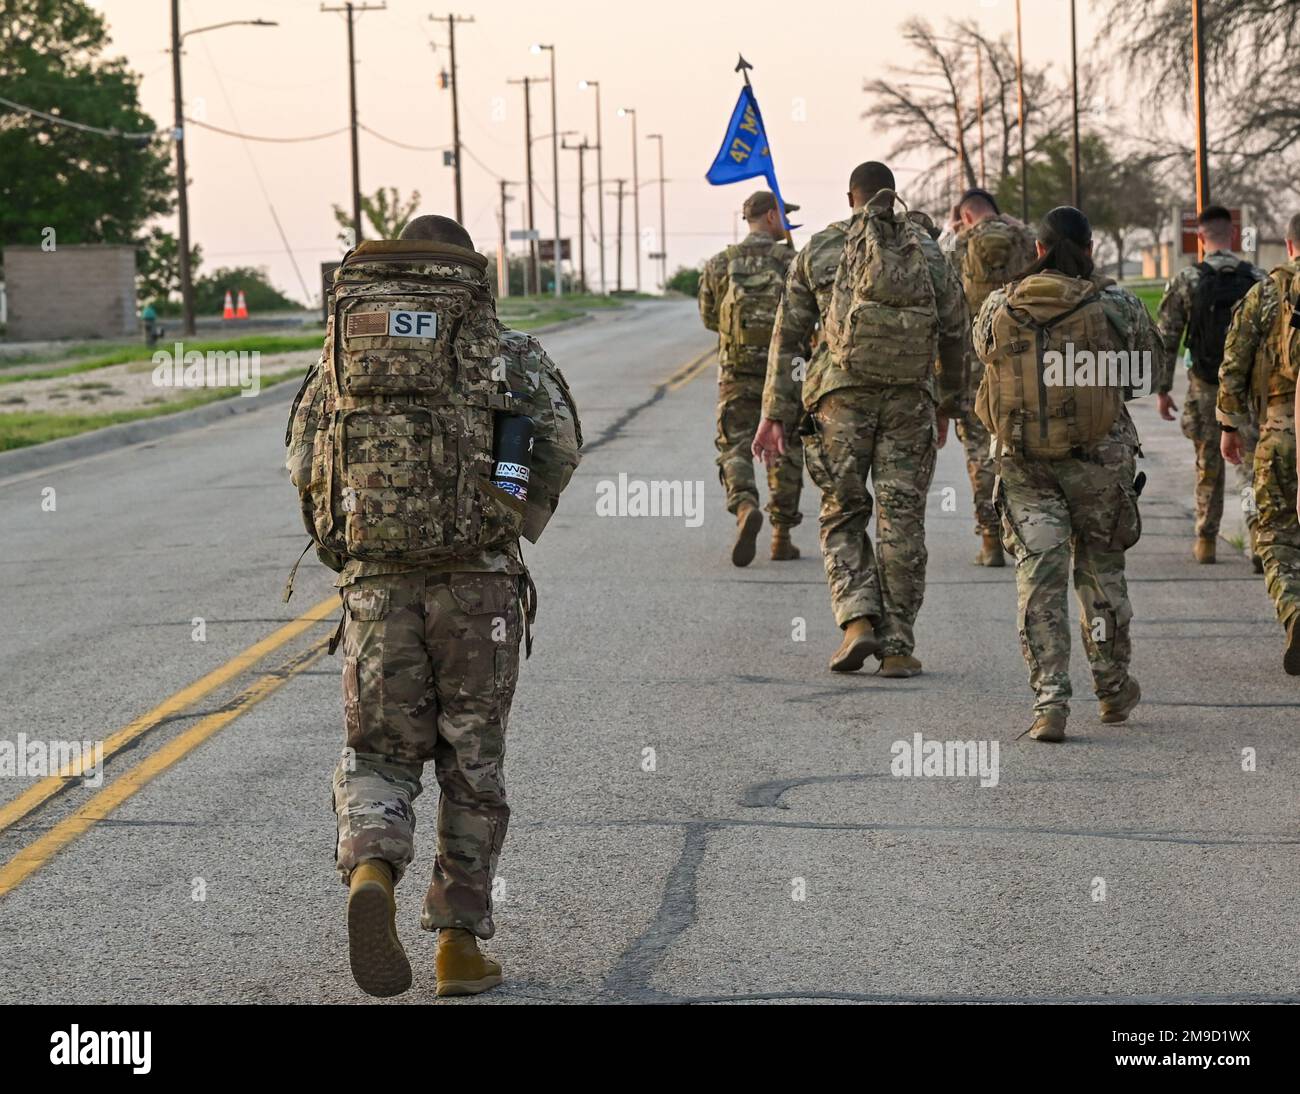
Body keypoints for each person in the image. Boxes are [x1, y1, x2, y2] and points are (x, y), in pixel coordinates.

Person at [285, 214, 581, 998]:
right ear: (467, 274)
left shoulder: (346, 352)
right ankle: (457, 945)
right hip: (479, 587)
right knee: (471, 764)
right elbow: (557, 440)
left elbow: (306, 456)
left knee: (378, 749)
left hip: (378, 585)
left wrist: (345, 547)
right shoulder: (506, 353)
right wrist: (505, 508)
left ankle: (373, 867)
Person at [756, 161, 966, 678]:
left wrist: (774, 413)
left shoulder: (822, 248)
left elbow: (788, 338)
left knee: (842, 510)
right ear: (893, 194)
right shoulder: (929, 251)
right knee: (902, 519)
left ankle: (855, 622)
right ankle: (898, 647)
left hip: (837, 399)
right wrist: (948, 403)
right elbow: (957, 331)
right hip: (909, 400)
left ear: (850, 195)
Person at [973, 206, 1159, 741]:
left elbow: (984, 356)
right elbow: (1149, 373)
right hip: (1099, 459)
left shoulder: (997, 305)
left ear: (1037, 249)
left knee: (1039, 578)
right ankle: (1111, 688)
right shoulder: (1115, 302)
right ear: (1091, 247)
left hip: (1023, 460)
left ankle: (1050, 701)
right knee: (1100, 575)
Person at [699, 191, 804, 565]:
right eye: (785, 216)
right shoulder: (793, 262)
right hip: (785, 372)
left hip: (736, 369)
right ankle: (782, 534)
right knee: (785, 446)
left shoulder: (719, 264)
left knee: (734, 444)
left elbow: (710, 318)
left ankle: (744, 505)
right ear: (772, 215)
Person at [1155, 206, 1264, 565]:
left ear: (1200, 238)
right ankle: (1256, 537)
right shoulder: (1259, 279)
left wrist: (1163, 389)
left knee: (1208, 465)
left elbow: (1168, 338)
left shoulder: (1188, 279)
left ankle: (1206, 539)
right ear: (1233, 234)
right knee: (1250, 469)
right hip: (1248, 392)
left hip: (1204, 387)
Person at [1218, 211, 1300, 673]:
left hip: (1280, 429)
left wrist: (1230, 426)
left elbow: (1235, 361)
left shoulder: (1265, 292)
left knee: (1275, 532)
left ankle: (1294, 610)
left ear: (1289, 246)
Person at [949, 188, 1038, 566]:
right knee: (1023, 446)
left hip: (974, 363)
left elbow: (945, 302)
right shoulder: (1025, 238)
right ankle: (1023, 534)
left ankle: (989, 540)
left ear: (966, 216)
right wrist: (1023, 227)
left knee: (978, 449)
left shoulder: (958, 245)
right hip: (1025, 361)